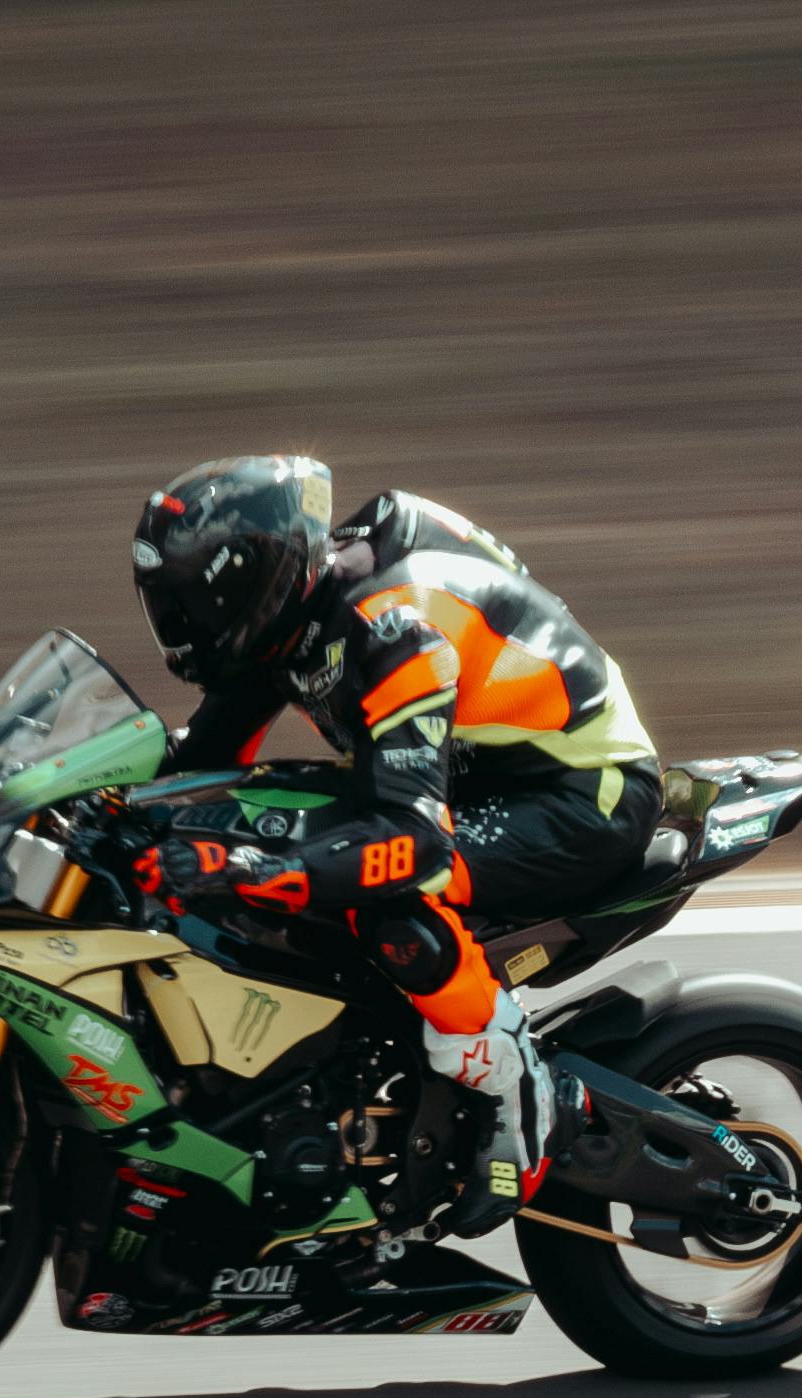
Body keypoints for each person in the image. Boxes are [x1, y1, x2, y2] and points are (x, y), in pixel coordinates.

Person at [118, 452, 663, 1244]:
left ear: (253, 583)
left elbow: (414, 843)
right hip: (474, 778)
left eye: (190, 602)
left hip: (578, 792)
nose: (180, 625)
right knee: (240, 825)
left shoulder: (389, 628)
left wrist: (260, 869)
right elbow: (198, 766)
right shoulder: (286, 618)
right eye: (165, 603)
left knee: (383, 892)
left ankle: (515, 1087)